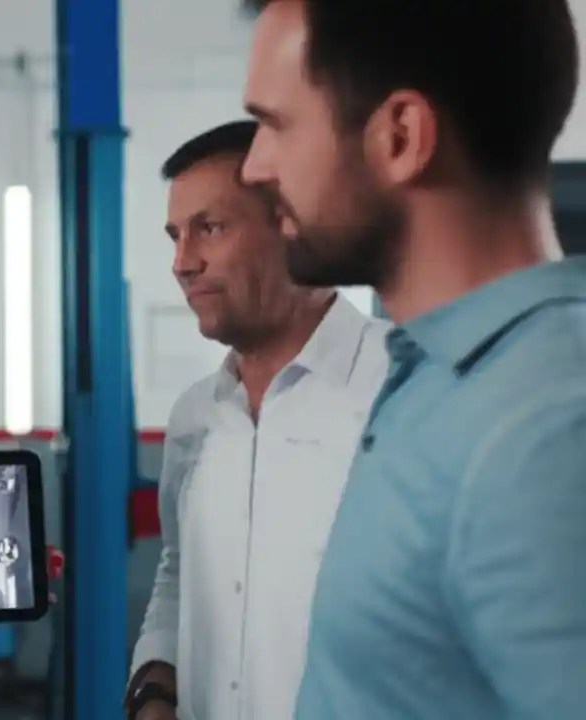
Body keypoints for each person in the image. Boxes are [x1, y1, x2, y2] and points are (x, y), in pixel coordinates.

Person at [239, 1, 586, 717]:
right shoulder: (439, 369)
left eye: (275, 125)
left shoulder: (547, 431)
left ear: (400, 136)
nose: (253, 166)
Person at [124, 120, 390, 720]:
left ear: (291, 226)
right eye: (174, 237)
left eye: (209, 229)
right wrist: (154, 689)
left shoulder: (402, 391)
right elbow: (179, 574)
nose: (182, 263)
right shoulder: (196, 415)